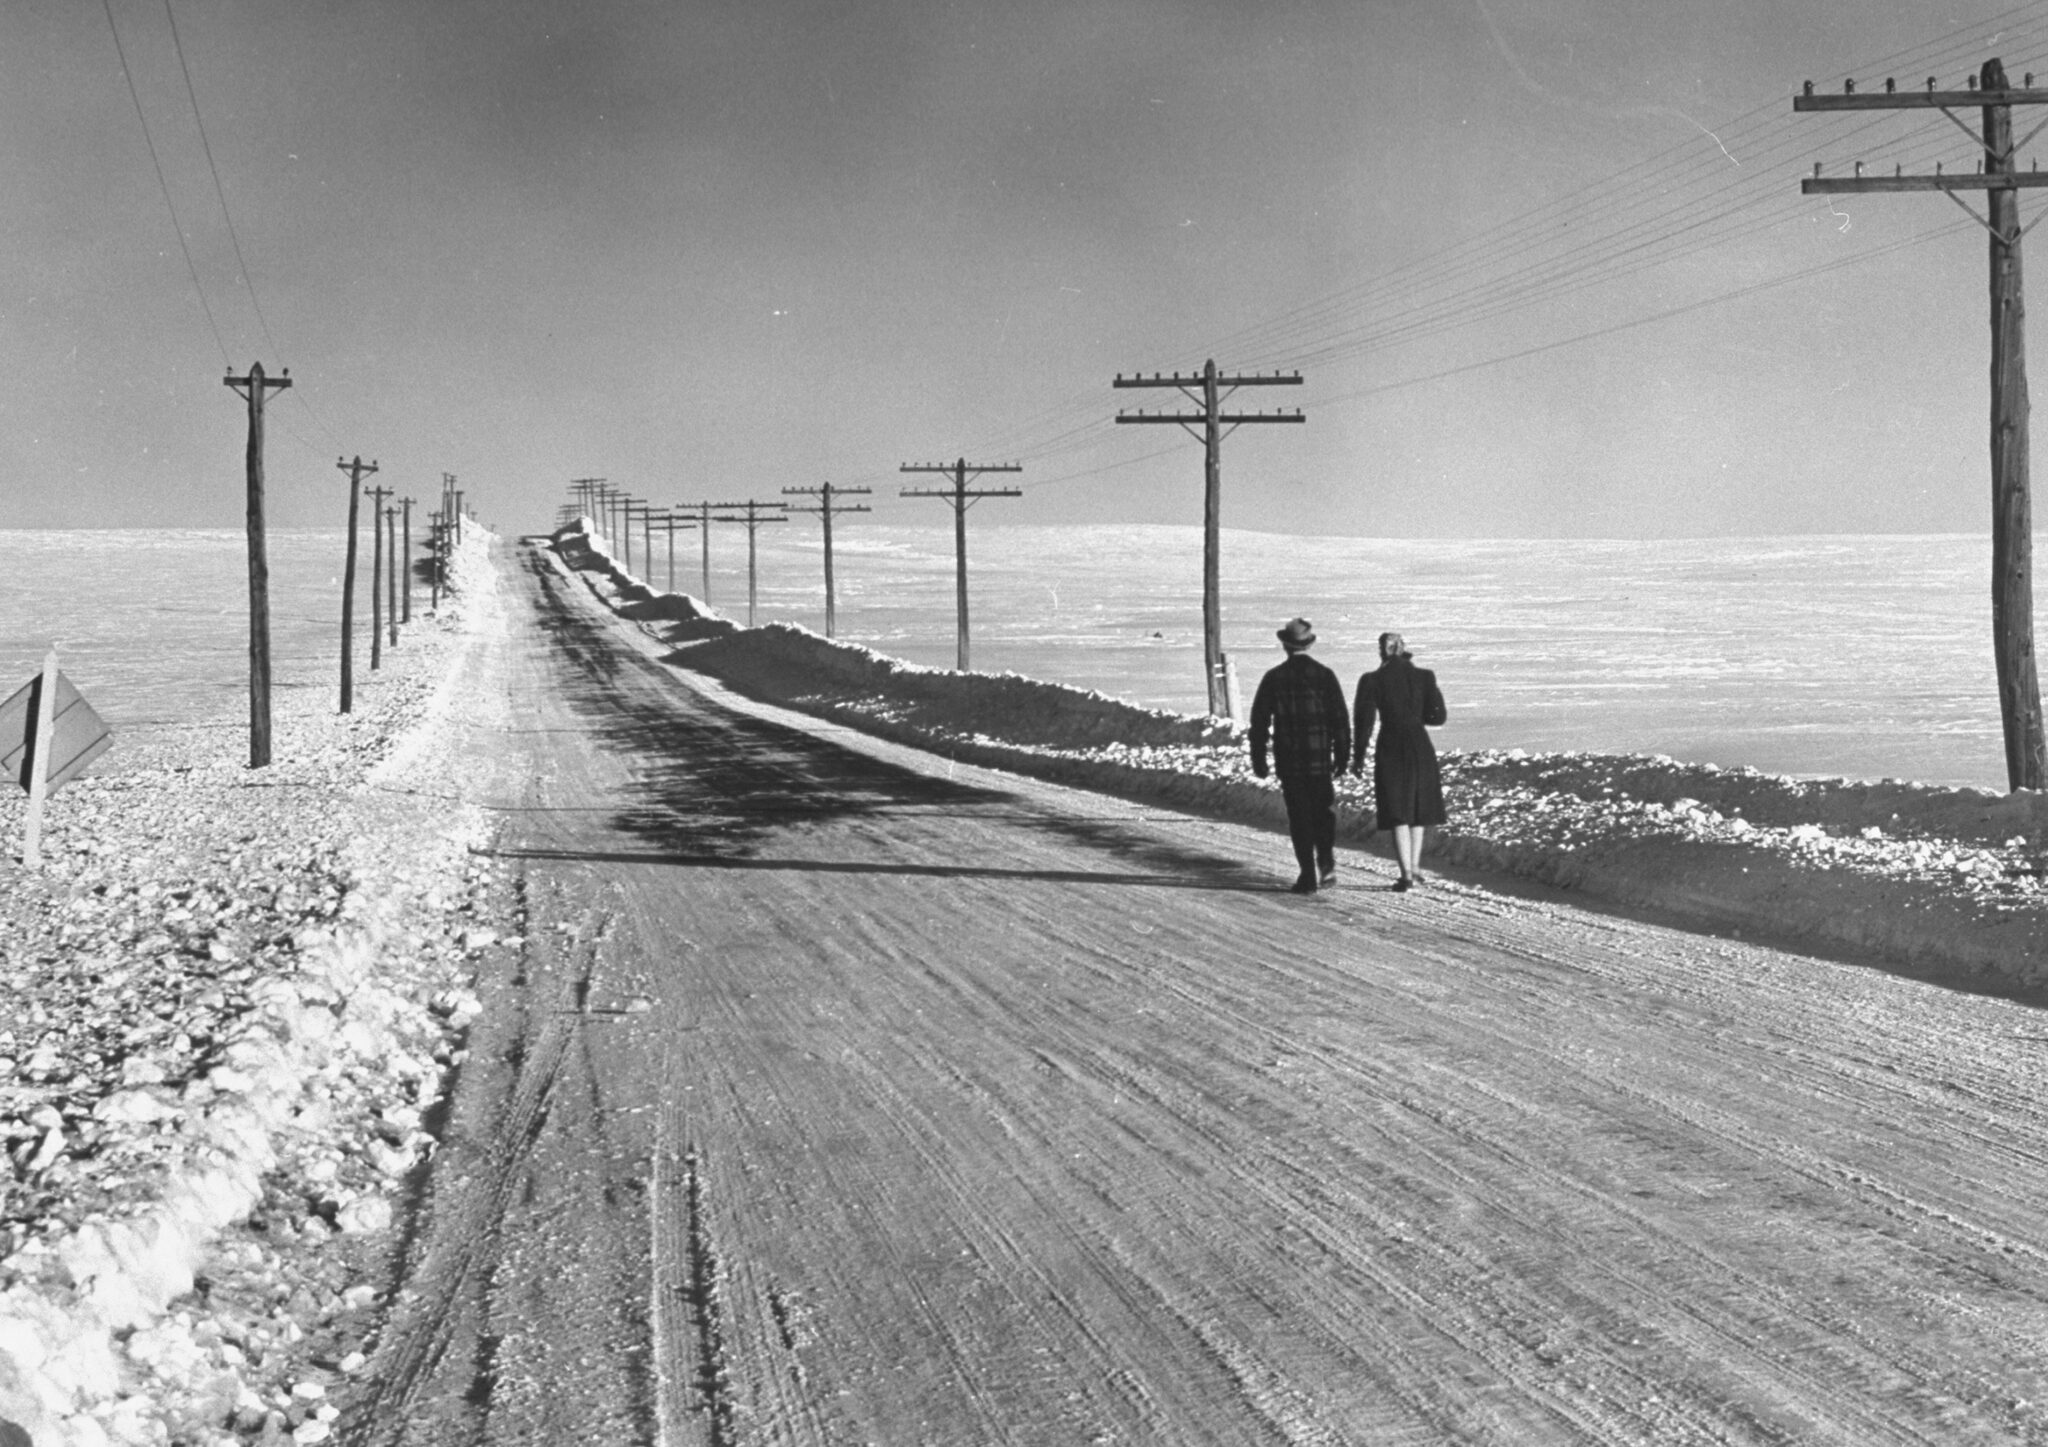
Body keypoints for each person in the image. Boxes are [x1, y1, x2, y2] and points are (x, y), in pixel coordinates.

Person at [1249, 616, 1351, 894]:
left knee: (1299, 817)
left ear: (1285, 646)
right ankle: (1326, 860)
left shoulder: (1274, 678)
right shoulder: (1325, 676)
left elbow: (1259, 723)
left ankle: (1307, 874)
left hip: (1290, 762)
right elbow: (1340, 719)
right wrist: (1343, 754)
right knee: (1323, 812)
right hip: (1319, 760)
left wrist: (1258, 759)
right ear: (1309, 644)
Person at [1352, 631, 1447, 891]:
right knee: (1418, 810)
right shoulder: (1424, 677)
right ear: (1404, 649)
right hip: (1419, 744)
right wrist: (1414, 715)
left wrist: (1358, 756)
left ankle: (1405, 874)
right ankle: (1415, 869)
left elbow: (1364, 723)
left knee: (1397, 812)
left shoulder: (1372, 680)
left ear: (1382, 651)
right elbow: (1438, 717)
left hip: (1391, 745)